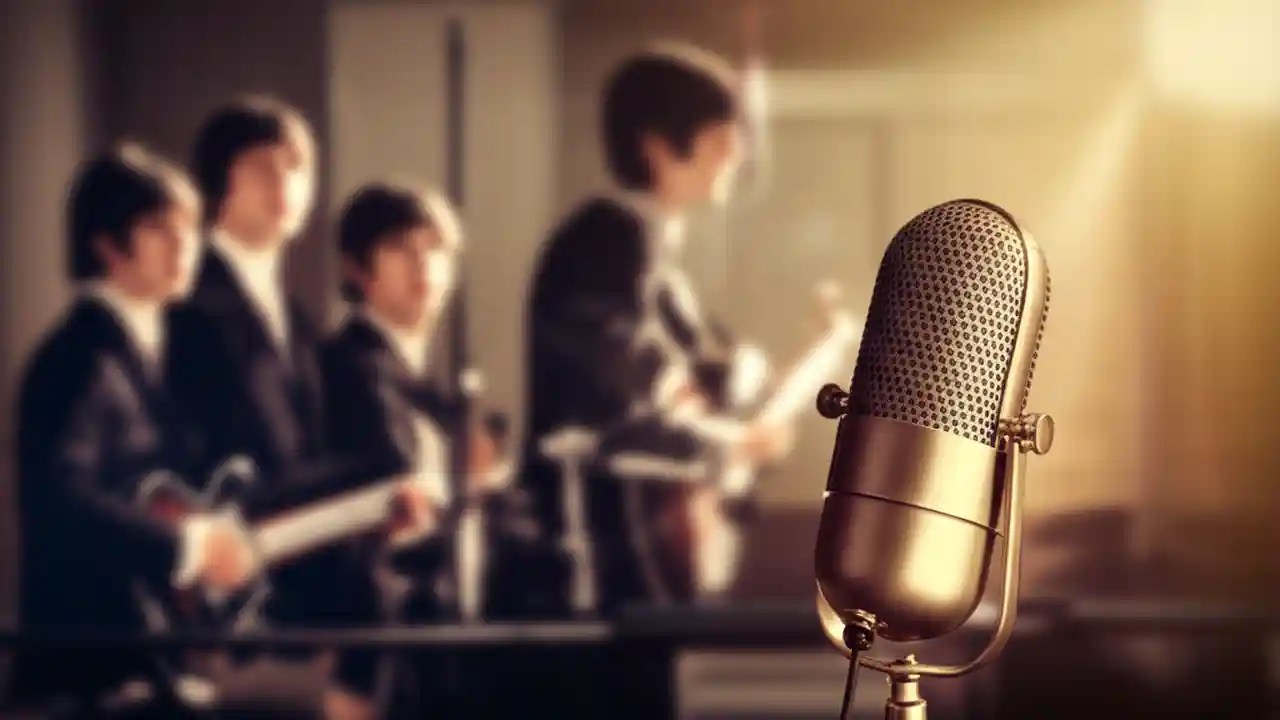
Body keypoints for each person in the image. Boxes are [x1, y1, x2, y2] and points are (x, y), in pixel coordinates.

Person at [168, 97, 433, 720]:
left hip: (300, 592)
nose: (286, 181)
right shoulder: (185, 306)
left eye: (299, 166)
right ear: (219, 183)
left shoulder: (300, 321)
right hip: (229, 594)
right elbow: (198, 466)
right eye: (264, 165)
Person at [524, 44, 793, 614]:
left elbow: (685, 387)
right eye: (720, 139)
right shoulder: (601, 244)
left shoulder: (648, 255)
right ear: (657, 146)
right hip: (594, 557)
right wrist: (728, 441)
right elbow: (620, 402)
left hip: (643, 554)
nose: (733, 157)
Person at [13, 146, 252, 715]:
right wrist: (188, 544)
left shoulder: (143, 347)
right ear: (106, 243)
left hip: (138, 658)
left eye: (190, 228)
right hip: (88, 671)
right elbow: (57, 499)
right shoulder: (79, 356)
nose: (183, 244)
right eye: (158, 229)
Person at [322, 182, 571, 716]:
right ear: (357, 267)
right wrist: (470, 477)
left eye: (436, 249)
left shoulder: (424, 377)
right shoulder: (350, 364)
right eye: (401, 248)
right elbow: (387, 490)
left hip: (438, 624)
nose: (423, 265)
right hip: (379, 631)